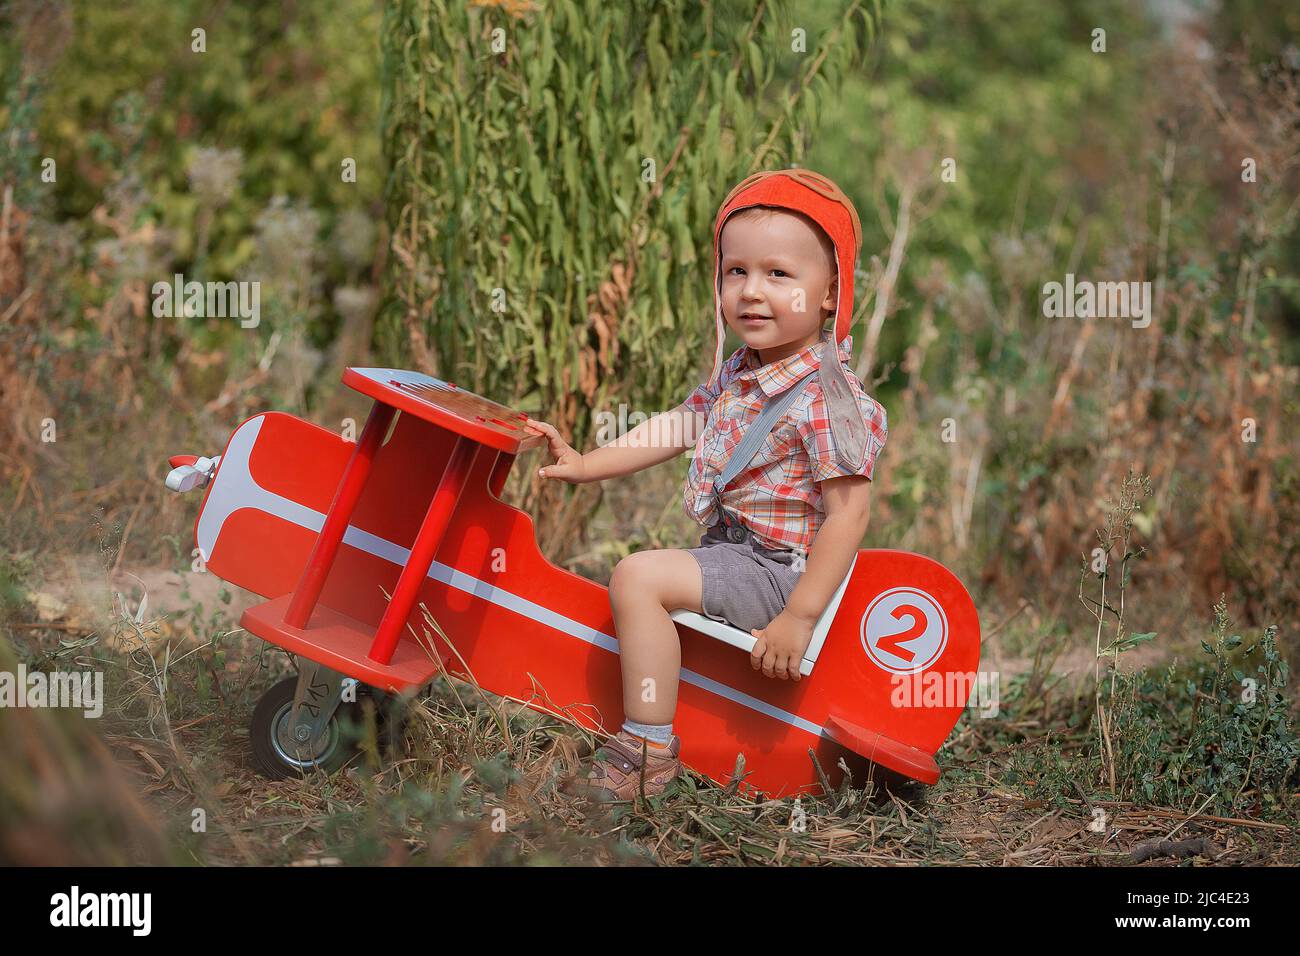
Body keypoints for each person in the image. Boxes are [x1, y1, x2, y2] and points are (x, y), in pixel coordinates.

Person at [523, 169, 888, 801]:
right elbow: (678, 425)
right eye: (735, 272)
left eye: (779, 275)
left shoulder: (827, 400)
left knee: (638, 575)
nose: (751, 291)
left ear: (830, 293)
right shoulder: (741, 374)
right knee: (647, 571)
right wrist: (584, 464)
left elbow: (848, 517)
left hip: (781, 573)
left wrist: (799, 616)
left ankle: (647, 748)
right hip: (737, 554)